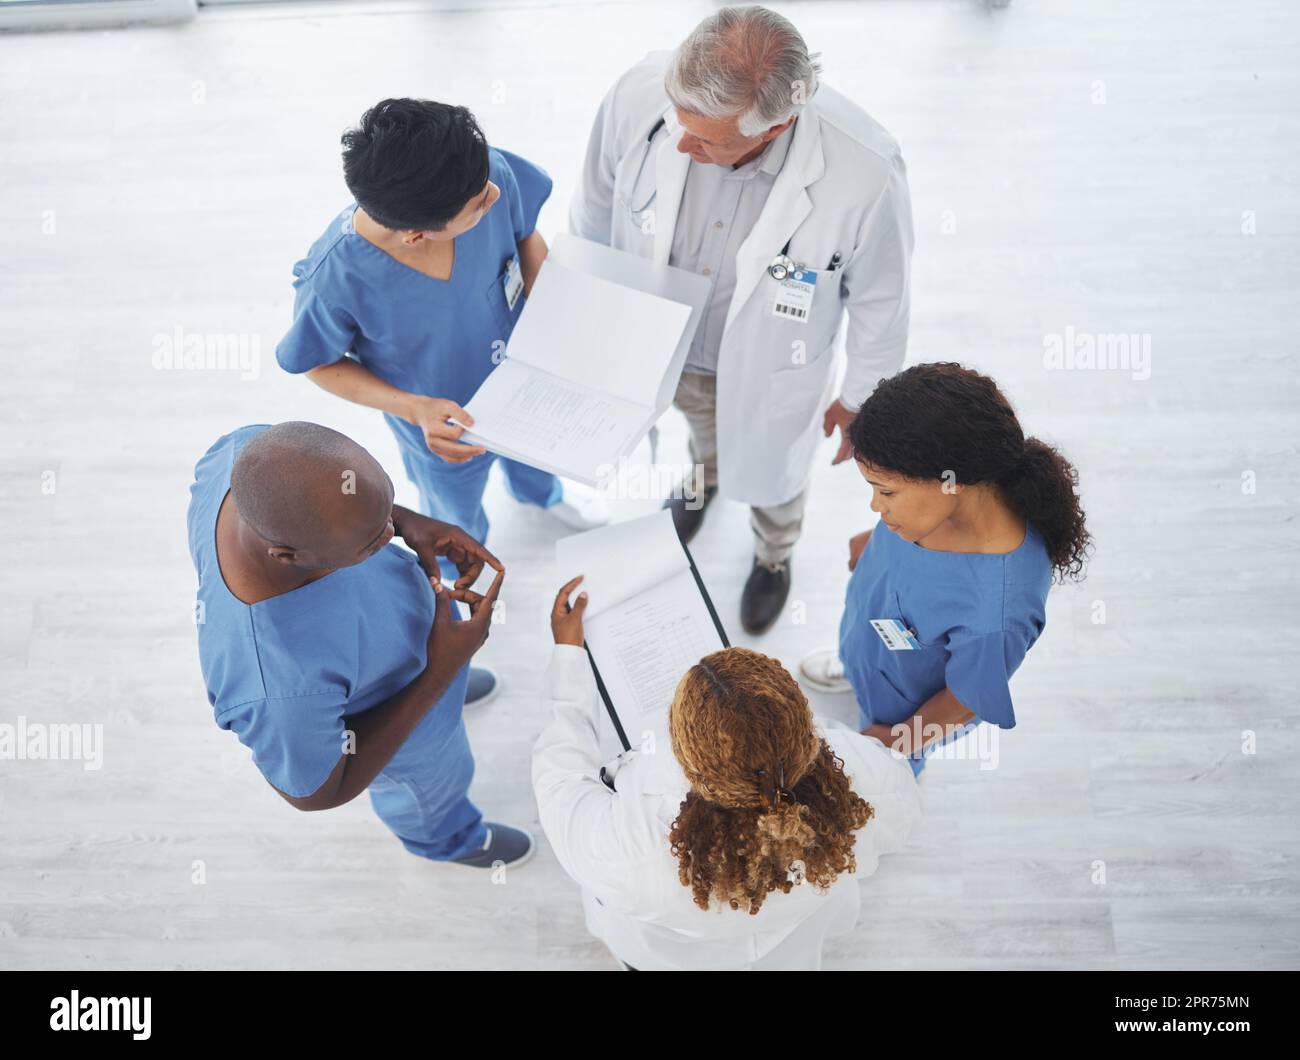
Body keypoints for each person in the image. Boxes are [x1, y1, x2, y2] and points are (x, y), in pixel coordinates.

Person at [570, 6, 914, 634]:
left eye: (706, 140)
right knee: (702, 434)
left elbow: (882, 301)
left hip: (773, 369)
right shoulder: (639, 94)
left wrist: (863, 397)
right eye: (679, 121)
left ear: (777, 124)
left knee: (777, 473)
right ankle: (703, 485)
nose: (679, 143)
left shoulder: (866, 171)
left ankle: (773, 555)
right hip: (669, 346)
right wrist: (596, 319)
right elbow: (593, 209)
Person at [276, 98, 608, 705]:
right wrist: (414, 407)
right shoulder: (338, 277)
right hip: (446, 430)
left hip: (527, 381)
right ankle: (467, 572)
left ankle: (543, 497)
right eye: (478, 205)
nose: (492, 196)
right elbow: (318, 363)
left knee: (537, 461)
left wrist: (552, 305)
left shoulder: (482, 176)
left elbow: (524, 232)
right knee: (459, 517)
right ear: (418, 234)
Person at [186, 421, 532, 868]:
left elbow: (341, 501)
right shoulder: (276, 685)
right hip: (403, 730)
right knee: (435, 788)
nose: (391, 535)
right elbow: (317, 793)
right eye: (372, 542)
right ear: (289, 555)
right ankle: (451, 840)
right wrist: (439, 670)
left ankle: (446, 688)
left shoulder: (241, 453)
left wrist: (407, 521)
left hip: (420, 649)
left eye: (387, 513)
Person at [532, 575, 921, 970]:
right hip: (793, 949)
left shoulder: (623, 846)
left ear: (684, 751)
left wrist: (567, 655)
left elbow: (560, 781)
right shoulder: (868, 783)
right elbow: (899, 816)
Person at [800, 363, 1092, 777]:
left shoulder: (998, 613)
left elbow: (961, 702)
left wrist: (898, 739)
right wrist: (875, 543)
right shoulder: (938, 506)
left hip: (903, 709)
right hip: (872, 639)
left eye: (885, 492)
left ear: (950, 481)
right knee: (858, 654)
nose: (875, 507)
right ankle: (855, 674)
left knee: (876, 775)